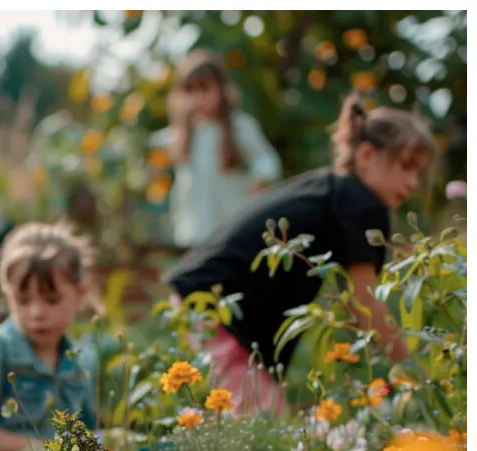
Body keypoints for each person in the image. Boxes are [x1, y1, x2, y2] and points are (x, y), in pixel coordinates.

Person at [164, 94, 433, 414]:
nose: (413, 182)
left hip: (205, 295)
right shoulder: (362, 201)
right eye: (406, 166)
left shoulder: (330, 190)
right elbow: (364, 301)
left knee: (257, 416)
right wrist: (413, 374)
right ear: (366, 154)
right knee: (261, 424)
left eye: (419, 173)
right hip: (217, 303)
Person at [0, 221, 99, 451]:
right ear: (7, 295)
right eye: (23, 300)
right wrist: (47, 448)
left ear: (79, 295)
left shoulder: (83, 360)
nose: (36, 313)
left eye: (51, 300)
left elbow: (88, 437)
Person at [153, 50, 282, 249]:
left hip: (233, 226)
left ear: (221, 89)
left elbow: (267, 160)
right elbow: (155, 147)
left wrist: (258, 180)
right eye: (190, 91)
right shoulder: (182, 134)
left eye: (205, 89)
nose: (198, 98)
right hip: (194, 231)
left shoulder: (239, 126)